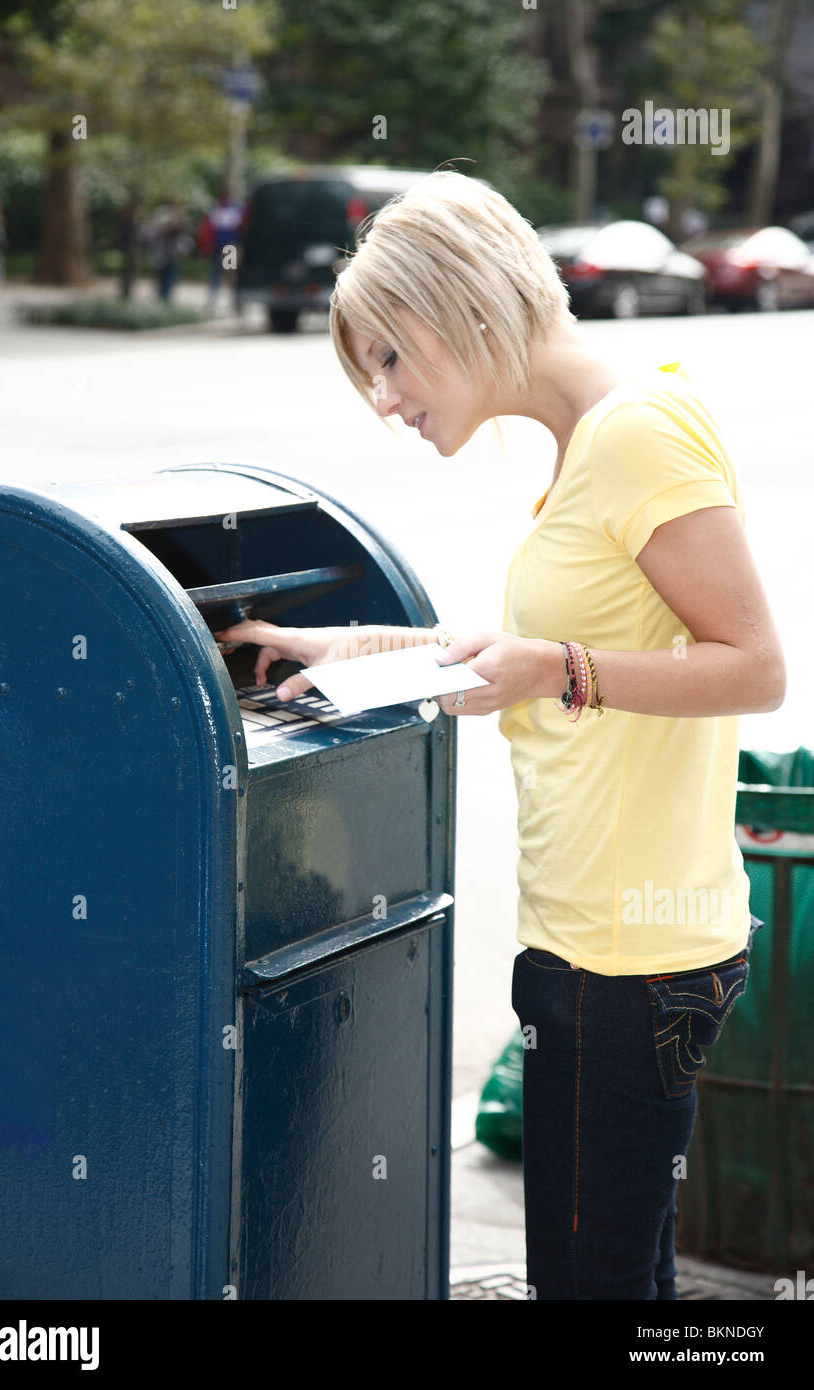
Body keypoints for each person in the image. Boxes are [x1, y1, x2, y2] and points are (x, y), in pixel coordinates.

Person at [212, 170, 786, 1300]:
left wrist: (556, 670)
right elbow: (524, 649)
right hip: (601, 946)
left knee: (592, 1287)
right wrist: (338, 645)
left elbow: (753, 667)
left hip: (628, 960)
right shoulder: (592, 439)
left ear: (460, 305)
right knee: (615, 1278)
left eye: (387, 357)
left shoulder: (636, 433)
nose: (383, 397)